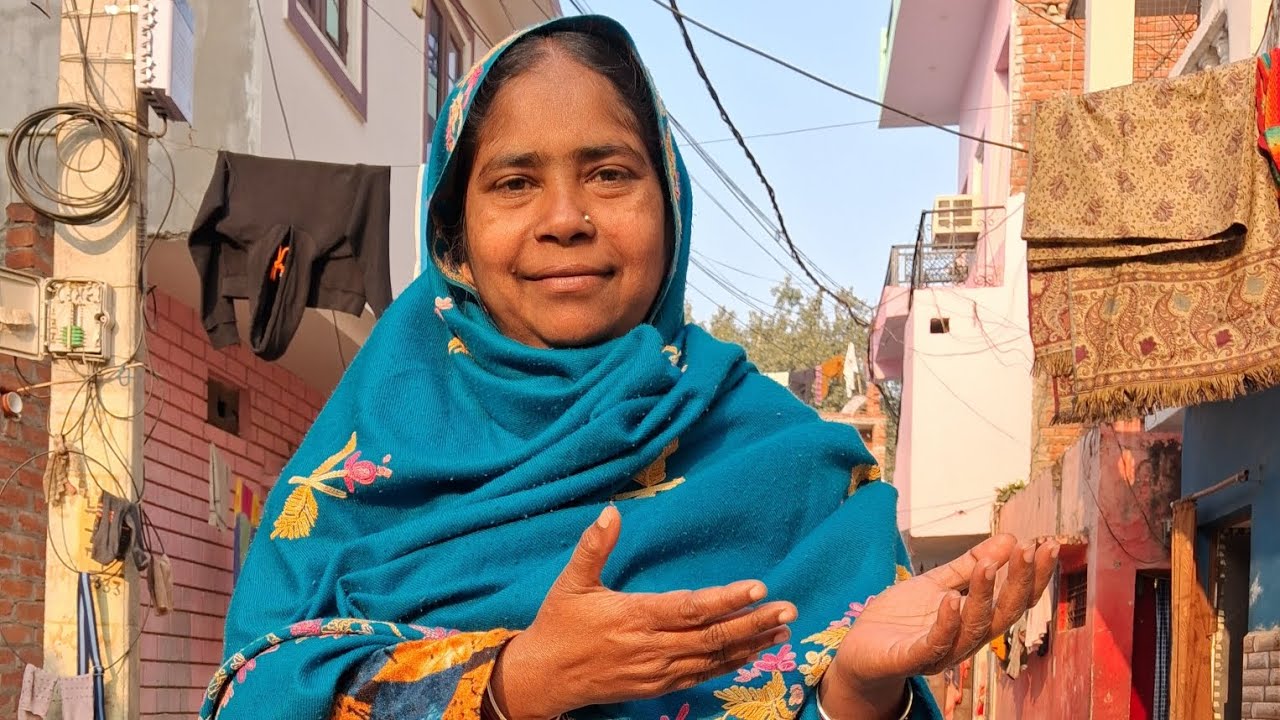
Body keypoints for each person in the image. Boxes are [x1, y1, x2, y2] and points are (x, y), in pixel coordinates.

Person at [202, 15, 1057, 720]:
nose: (565, 218)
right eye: (513, 183)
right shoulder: (365, 455)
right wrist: (515, 683)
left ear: (669, 204)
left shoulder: (784, 464)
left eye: (609, 174)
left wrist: (858, 692)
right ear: (454, 231)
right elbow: (253, 694)